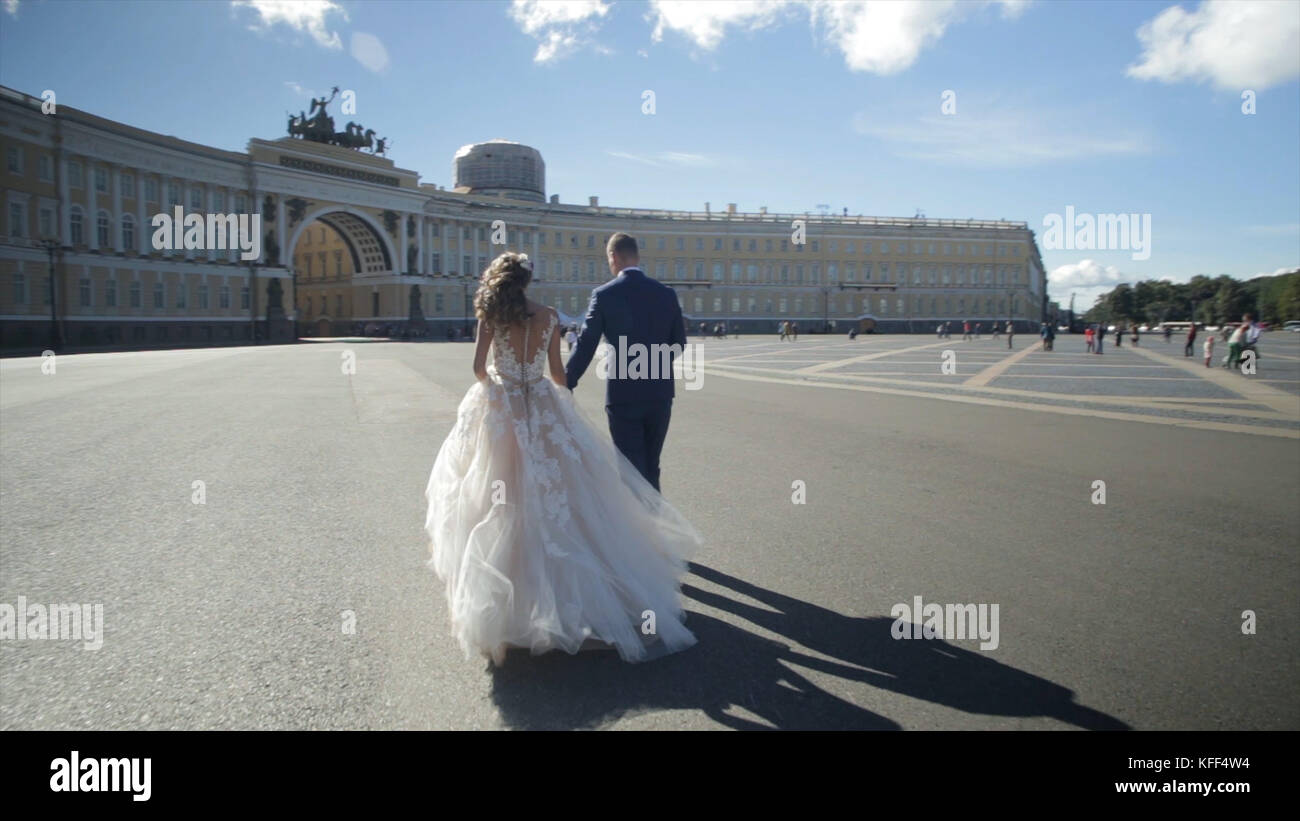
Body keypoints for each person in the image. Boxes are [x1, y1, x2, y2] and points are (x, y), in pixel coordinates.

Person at [425, 249, 699, 666]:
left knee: (496, 498)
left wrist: (499, 387)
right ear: (528, 281)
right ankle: (592, 601)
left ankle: (510, 611)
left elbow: (479, 368)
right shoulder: (550, 316)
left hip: (504, 409)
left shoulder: (491, 316)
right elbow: (558, 374)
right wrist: (545, 391)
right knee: (571, 499)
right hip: (543, 405)